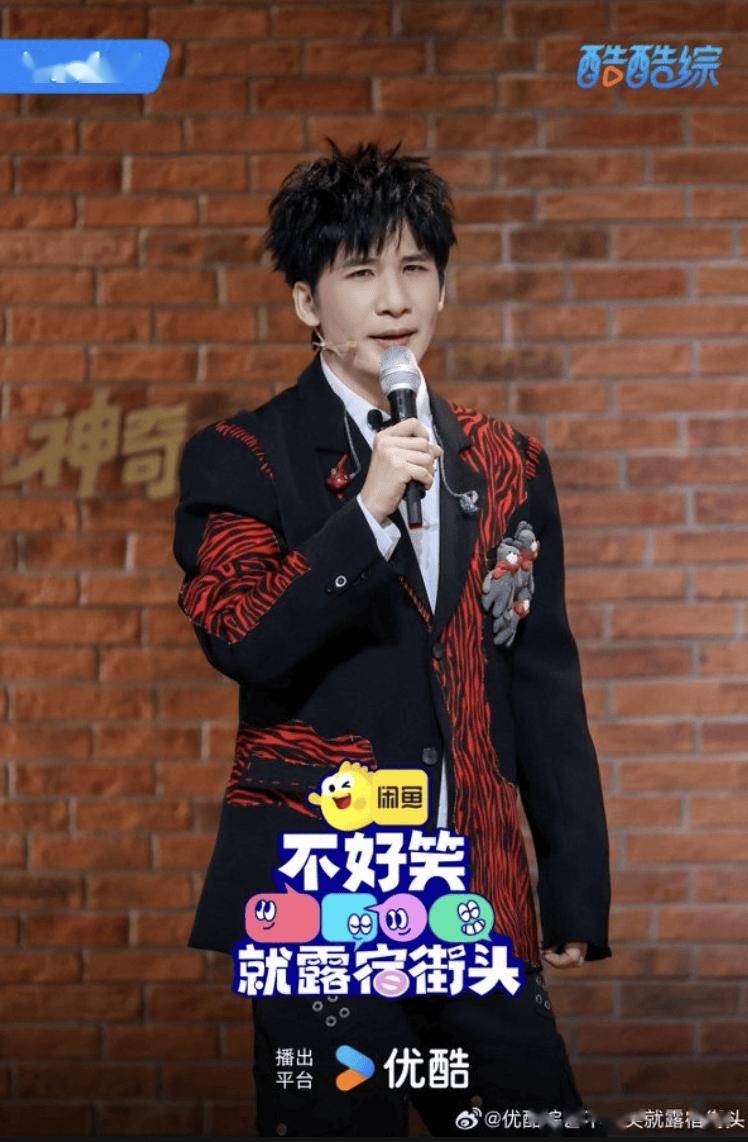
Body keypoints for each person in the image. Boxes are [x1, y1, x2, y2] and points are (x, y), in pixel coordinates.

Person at [173, 138, 611, 1138]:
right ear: (306, 301)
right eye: (360, 272)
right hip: (324, 895)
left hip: (472, 892)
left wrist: (575, 887)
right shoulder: (243, 454)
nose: (393, 298)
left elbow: (542, 679)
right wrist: (366, 512)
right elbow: (243, 635)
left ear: (443, 287)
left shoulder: (506, 460)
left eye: (415, 267)